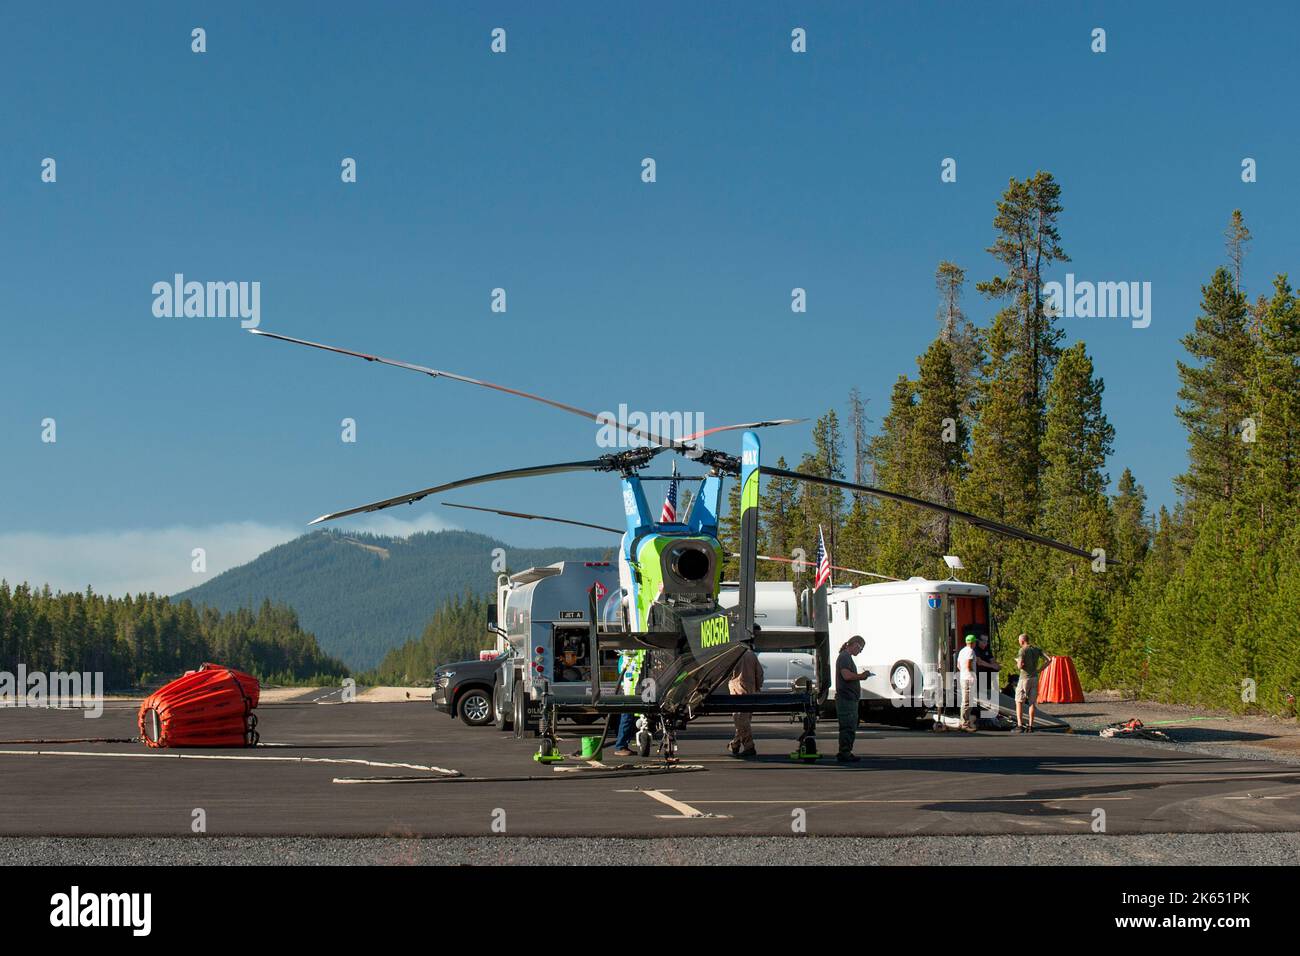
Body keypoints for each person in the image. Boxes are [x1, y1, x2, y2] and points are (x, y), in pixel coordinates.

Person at [835, 636, 870, 762]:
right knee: (848, 727)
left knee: (850, 726)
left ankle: (845, 751)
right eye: (860, 648)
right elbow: (846, 675)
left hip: (849, 698)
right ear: (855, 644)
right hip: (846, 699)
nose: (860, 652)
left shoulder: (845, 657)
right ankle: (845, 752)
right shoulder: (844, 657)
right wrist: (861, 676)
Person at [726, 647, 765, 758]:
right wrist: (758, 686)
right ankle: (735, 744)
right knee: (744, 720)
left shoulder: (732, 653)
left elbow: (727, 672)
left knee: (740, 720)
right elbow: (760, 672)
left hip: (737, 688)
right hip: (751, 689)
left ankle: (749, 746)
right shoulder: (750, 654)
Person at [1014, 633, 1054, 733]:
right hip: (1035, 677)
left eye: (1019, 641)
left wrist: (1017, 662)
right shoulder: (1036, 649)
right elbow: (1049, 659)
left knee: (1019, 701)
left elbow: (1019, 666)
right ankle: (1031, 726)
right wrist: (1040, 669)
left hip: (1024, 678)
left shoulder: (1022, 650)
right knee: (1032, 703)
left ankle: (1020, 725)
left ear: (1022, 641)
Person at [612, 648, 645, 756]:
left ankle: (621, 744)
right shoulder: (630, 656)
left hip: (631, 687)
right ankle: (620, 746)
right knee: (627, 716)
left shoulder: (628, 654)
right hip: (630, 689)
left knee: (627, 716)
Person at [957, 634, 978, 731]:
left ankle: (965, 721)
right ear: (973, 643)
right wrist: (972, 674)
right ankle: (964, 723)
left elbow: (958, 665)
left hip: (963, 677)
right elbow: (968, 665)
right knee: (967, 702)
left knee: (965, 701)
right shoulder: (971, 651)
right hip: (969, 678)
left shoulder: (962, 651)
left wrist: (963, 672)